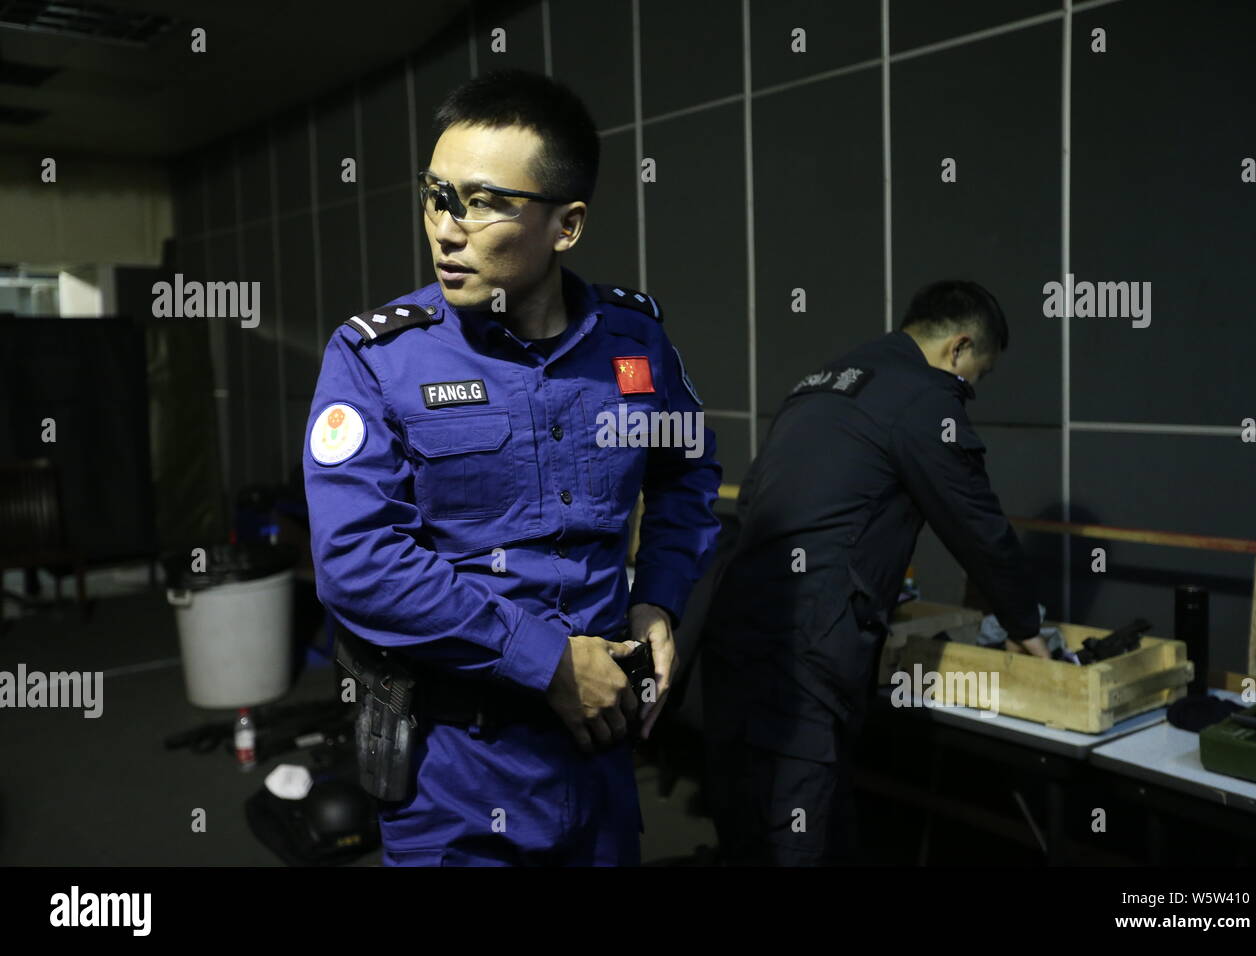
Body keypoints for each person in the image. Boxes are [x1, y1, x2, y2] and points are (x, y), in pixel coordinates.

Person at [303, 69, 721, 866]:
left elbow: (686, 473)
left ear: (566, 225)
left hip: (598, 757)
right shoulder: (377, 357)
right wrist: (546, 662)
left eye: (486, 201)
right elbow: (357, 562)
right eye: (436, 195)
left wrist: (657, 602)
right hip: (453, 769)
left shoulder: (634, 343)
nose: (446, 229)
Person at [701, 279, 1048, 866]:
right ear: (959, 348)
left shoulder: (823, 383)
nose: (969, 389)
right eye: (976, 377)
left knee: (760, 823)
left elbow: (754, 501)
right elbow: (979, 529)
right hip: (807, 649)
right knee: (795, 837)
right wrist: (1026, 627)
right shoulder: (923, 399)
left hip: (736, 631)